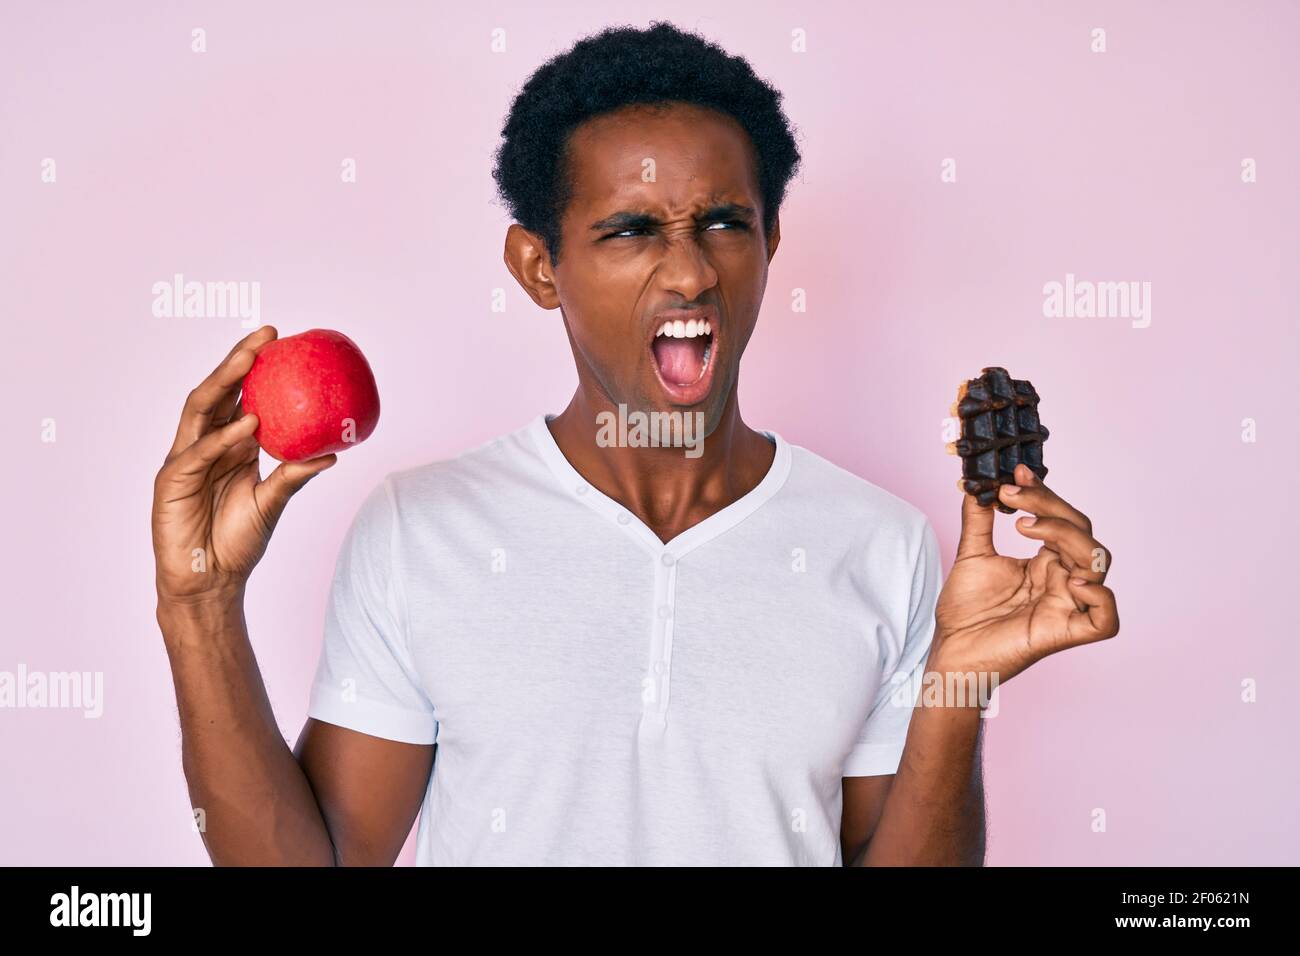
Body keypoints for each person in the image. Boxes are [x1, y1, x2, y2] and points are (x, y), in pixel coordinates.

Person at [151, 22, 1118, 866]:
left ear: (771, 241)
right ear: (540, 267)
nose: (691, 271)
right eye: (630, 231)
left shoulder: (883, 544)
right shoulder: (422, 531)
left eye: (725, 223)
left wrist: (955, 688)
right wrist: (199, 603)